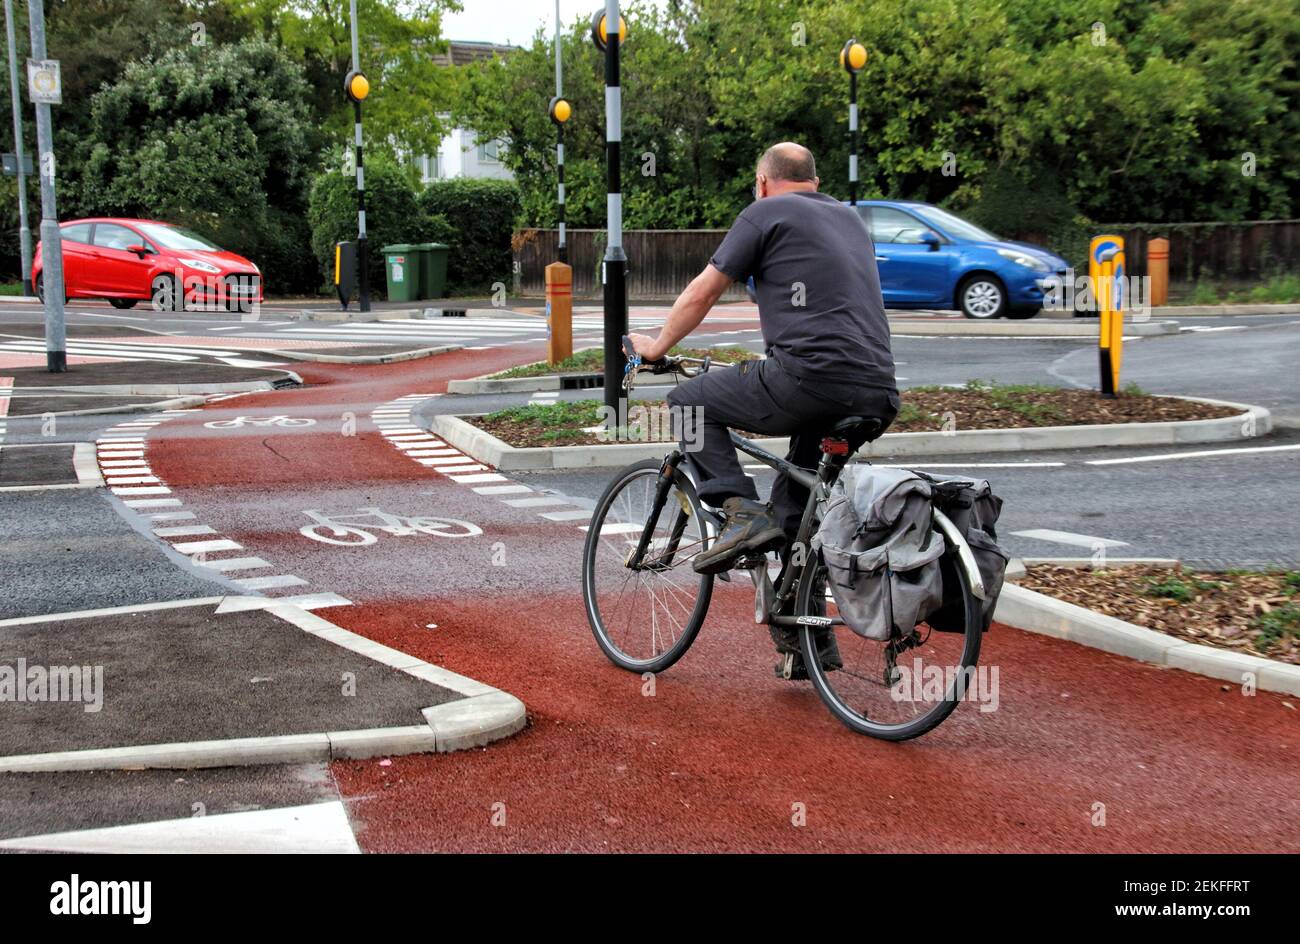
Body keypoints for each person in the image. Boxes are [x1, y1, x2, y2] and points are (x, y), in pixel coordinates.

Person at [627, 142, 900, 675]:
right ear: (815, 182)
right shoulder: (848, 220)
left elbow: (705, 292)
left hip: (810, 379)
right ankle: (806, 645)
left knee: (687, 401)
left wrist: (656, 346)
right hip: (876, 390)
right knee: (798, 504)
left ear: (762, 181)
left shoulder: (764, 211)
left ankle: (739, 515)